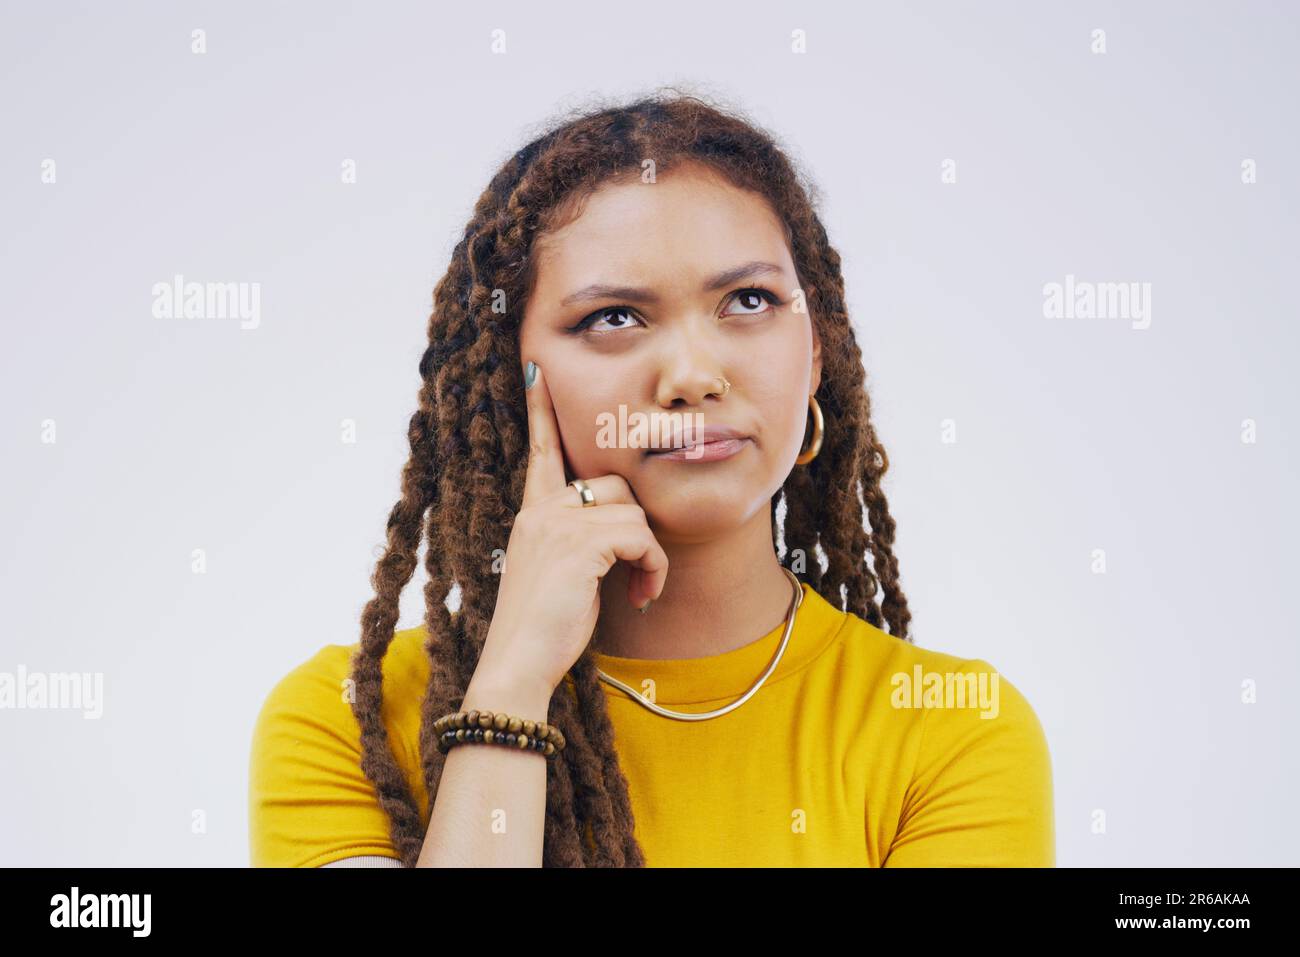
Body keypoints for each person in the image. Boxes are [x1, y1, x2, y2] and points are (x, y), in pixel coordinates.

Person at [249, 89, 1054, 868]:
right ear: (507, 375)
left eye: (748, 299)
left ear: (816, 356)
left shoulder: (954, 732)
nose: (694, 375)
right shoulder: (347, 722)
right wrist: (512, 683)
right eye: (614, 318)